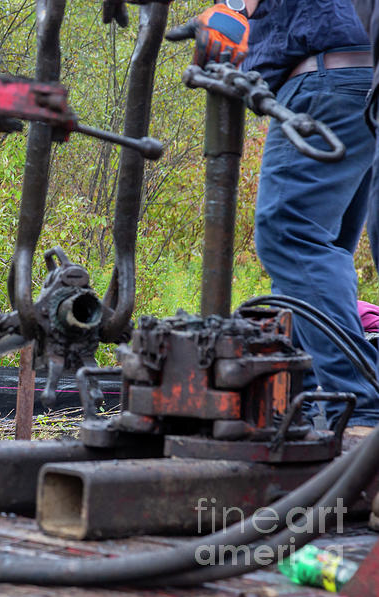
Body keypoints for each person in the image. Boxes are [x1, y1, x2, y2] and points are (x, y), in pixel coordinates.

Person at [108, 0, 379, 427]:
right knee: (320, 256)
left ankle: (359, 405)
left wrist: (234, 7)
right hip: (365, 78)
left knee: (289, 236)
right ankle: (309, 403)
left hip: (324, 78)